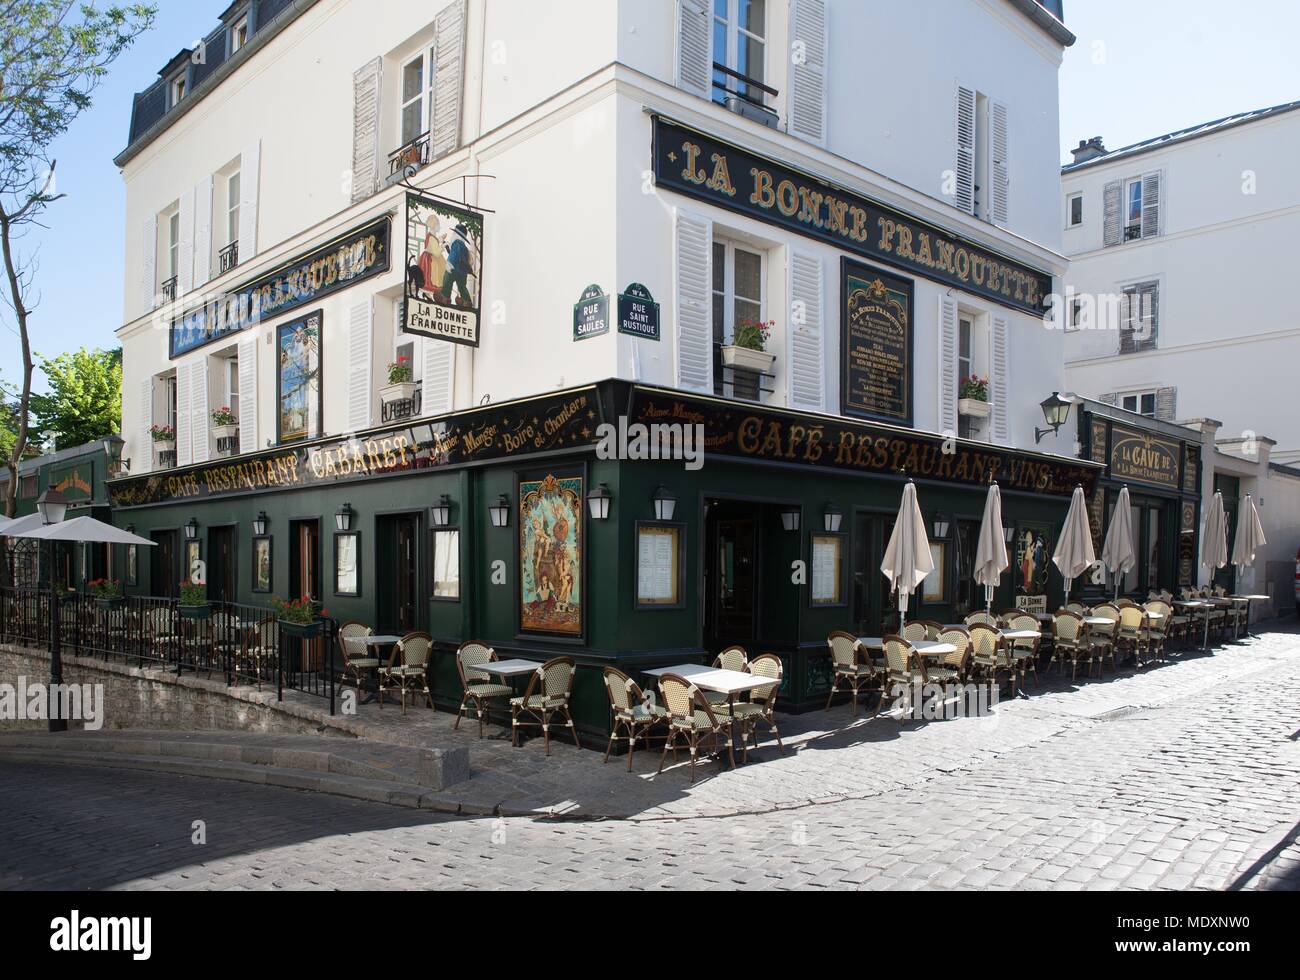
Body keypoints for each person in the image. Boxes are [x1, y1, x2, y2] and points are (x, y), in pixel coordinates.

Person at [441, 223, 476, 307]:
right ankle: (466, 301)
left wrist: (449, 264)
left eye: (454, 233)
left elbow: (454, 255)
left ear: (457, 235)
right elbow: (456, 254)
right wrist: (447, 247)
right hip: (463, 272)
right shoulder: (463, 246)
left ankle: (445, 297)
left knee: (447, 281)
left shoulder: (456, 243)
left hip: (454, 270)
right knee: (462, 287)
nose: (452, 235)